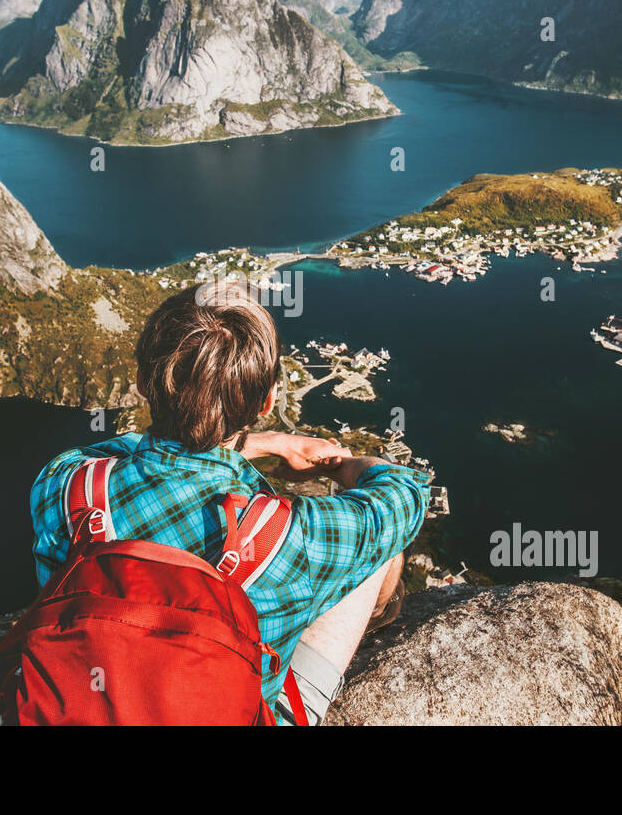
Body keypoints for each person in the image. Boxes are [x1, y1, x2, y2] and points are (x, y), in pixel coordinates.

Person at [29, 279, 430, 725]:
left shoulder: (67, 486)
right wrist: (345, 466)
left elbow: (116, 450)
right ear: (267, 400)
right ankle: (380, 623)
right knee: (376, 547)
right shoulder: (293, 540)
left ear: (143, 382)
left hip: (84, 704)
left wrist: (256, 442)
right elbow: (405, 493)